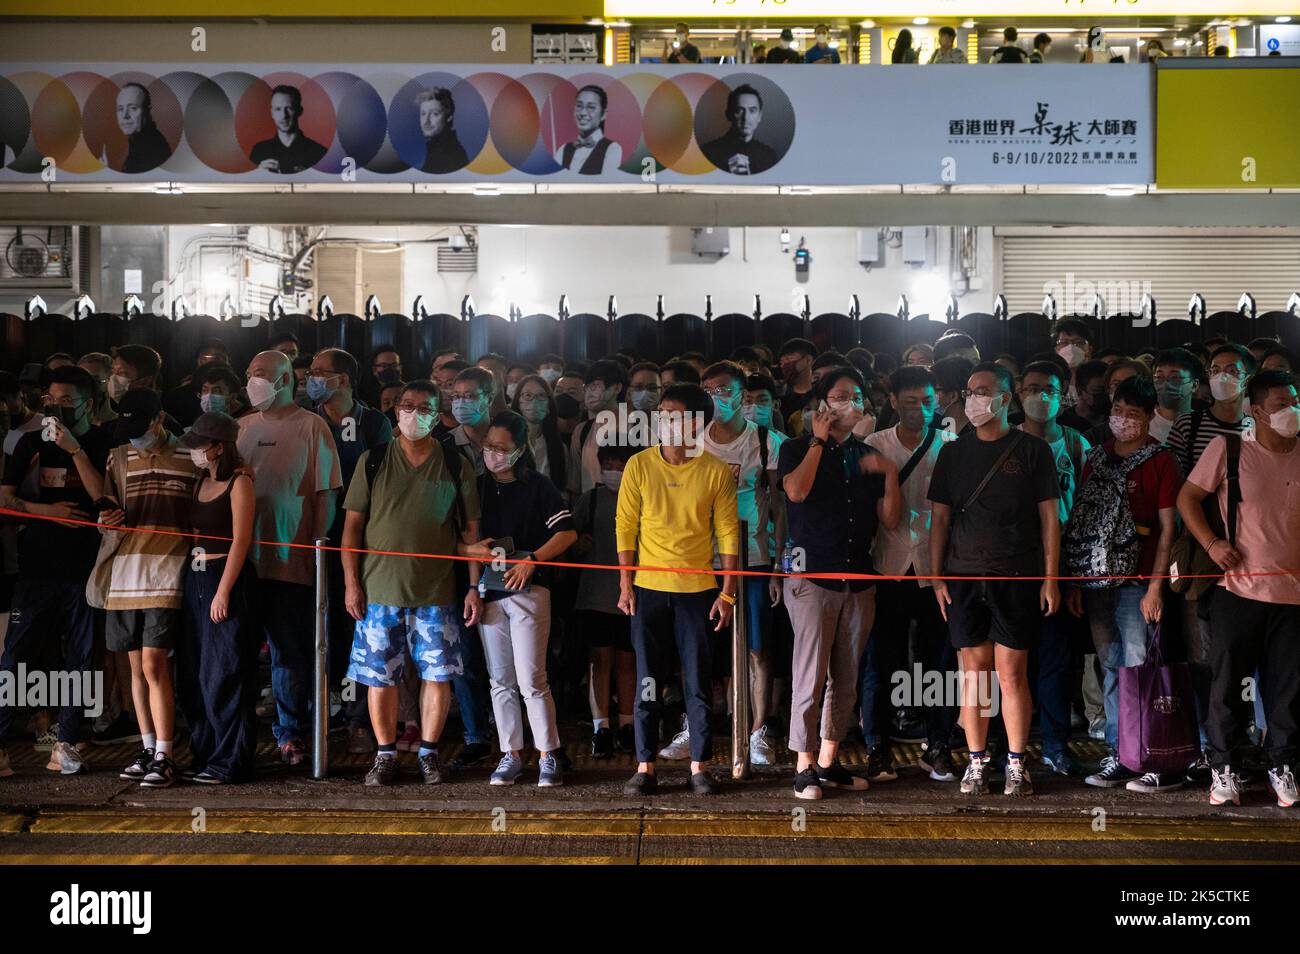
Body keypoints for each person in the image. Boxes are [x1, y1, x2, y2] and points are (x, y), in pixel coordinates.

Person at [929, 363, 1061, 797]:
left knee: (1011, 673)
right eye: (970, 391)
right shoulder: (953, 451)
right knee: (974, 674)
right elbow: (940, 519)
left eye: (983, 391)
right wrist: (936, 576)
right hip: (964, 575)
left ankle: (1017, 763)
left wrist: (1050, 578)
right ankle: (977, 761)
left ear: (1007, 399)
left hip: (1017, 576)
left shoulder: (1031, 450)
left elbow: (1049, 520)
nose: (974, 399)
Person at [342, 380, 481, 786]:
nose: (413, 414)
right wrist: (352, 584)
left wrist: (474, 587)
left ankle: (428, 753)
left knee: (438, 676)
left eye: (423, 408)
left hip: (437, 592)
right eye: (406, 405)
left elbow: (471, 533)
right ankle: (385, 755)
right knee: (379, 677)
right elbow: (352, 529)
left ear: (438, 417)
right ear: (395, 411)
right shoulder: (374, 460)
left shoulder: (456, 464)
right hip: (378, 591)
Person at [1178, 369, 1300, 808]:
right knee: (1227, 685)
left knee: (1288, 689)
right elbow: (1187, 497)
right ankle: (1224, 769)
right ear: (1256, 412)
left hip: (1293, 597)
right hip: (1237, 591)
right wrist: (1212, 544)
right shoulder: (1228, 449)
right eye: (1280, 405)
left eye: (1294, 401)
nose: (1291, 411)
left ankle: (1280, 765)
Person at [780, 368, 901, 799]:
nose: (847, 403)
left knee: (847, 677)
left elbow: (890, 520)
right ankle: (803, 765)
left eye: (854, 396)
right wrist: (816, 440)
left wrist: (888, 473)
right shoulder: (795, 448)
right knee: (809, 675)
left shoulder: (868, 455)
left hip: (859, 578)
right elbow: (795, 492)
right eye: (838, 396)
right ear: (821, 405)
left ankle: (829, 761)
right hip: (812, 577)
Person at [617, 384, 740, 796]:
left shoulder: (715, 471)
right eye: (663, 414)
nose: (666, 421)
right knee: (648, 680)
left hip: (698, 591)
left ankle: (699, 766)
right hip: (648, 589)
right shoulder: (639, 465)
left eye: (676, 415)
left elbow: (727, 534)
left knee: (698, 681)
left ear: (698, 423)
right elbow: (625, 526)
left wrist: (727, 592)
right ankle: (645, 765)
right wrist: (625, 582)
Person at [1065, 377, 1183, 790]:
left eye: (1133, 414)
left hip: (1138, 584)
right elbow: (1081, 520)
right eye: (1118, 411)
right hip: (1097, 583)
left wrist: (1155, 588)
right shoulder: (1096, 457)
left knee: (1140, 668)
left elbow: (1170, 528)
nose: (1123, 420)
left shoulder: (1162, 461)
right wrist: (1077, 582)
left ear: (1150, 417)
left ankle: (1151, 753)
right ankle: (1120, 752)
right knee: (1112, 667)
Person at [0, 366, 110, 778]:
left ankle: (64, 742)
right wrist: (48, 512)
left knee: (80, 658)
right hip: (37, 569)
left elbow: (103, 496)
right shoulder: (29, 442)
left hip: (85, 568)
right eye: (51, 401)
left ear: (88, 404)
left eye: (67, 402)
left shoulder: (101, 442)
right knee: (15, 655)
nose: (57, 409)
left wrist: (75, 449)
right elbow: (7, 501)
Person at [237, 350, 342, 765]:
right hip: (241, 564)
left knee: (290, 655)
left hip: (291, 562)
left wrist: (316, 548)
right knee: (238, 653)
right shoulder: (240, 428)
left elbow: (325, 494)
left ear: (284, 380)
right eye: (249, 374)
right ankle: (238, 734)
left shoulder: (312, 427)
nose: (252, 381)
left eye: (259, 374)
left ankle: (290, 732)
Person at [464, 411, 576, 786]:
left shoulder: (538, 486)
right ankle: (509, 755)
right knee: (500, 680)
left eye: (501, 448)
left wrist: (533, 559)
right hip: (490, 594)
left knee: (532, 678)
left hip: (529, 590)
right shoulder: (476, 487)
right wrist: (473, 586)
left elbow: (567, 533)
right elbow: (470, 546)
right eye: (488, 446)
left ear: (520, 449)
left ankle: (548, 754)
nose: (492, 453)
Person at [98, 390, 199, 788]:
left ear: (159, 418)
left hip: (168, 572)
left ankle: (166, 754)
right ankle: (148, 745)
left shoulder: (190, 455)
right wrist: (108, 520)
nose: (135, 437)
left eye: (141, 428)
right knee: (135, 669)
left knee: (157, 665)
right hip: (124, 572)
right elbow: (107, 510)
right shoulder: (118, 457)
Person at [861, 367, 955, 783]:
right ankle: (877, 747)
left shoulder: (951, 446)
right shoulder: (873, 445)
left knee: (940, 662)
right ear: (894, 401)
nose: (921, 408)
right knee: (882, 660)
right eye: (912, 401)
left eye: (928, 400)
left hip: (937, 571)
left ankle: (937, 747)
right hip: (888, 566)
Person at [699, 362, 787, 766]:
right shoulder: (693, 442)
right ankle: (702, 724)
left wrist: (777, 565)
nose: (720, 397)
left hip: (752, 557)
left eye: (726, 390)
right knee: (703, 647)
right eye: (710, 390)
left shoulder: (768, 441)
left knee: (756, 648)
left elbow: (780, 508)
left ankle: (758, 731)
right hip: (701, 557)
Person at [308, 348, 393, 749]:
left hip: (361, 539)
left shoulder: (373, 422)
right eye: (310, 372)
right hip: (313, 539)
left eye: (320, 373)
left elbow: (382, 479)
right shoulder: (306, 420)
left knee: (357, 625)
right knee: (319, 630)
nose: (312, 378)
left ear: (342, 380)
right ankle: (322, 715)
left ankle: (361, 719)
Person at [1014, 361, 1090, 776]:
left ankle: (1055, 744)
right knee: (1009, 664)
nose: (1041, 396)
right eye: (1032, 387)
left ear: (1065, 396)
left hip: (1060, 569)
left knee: (1058, 663)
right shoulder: (1003, 442)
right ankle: (1010, 746)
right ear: (1017, 394)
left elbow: (1085, 514)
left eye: (1051, 389)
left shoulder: (1078, 446)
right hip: (1010, 568)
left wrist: (1074, 578)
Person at [175, 411, 259, 783]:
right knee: (193, 672)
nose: (195, 452)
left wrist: (223, 590)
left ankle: (231, 760)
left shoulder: (240, 483)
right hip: (194, 578)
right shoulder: (199, 481)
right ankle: (205, 752)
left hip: (225, 576)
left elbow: (242, 540)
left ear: (218, 447)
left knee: (224, 672)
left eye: (200, 445)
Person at [444, 366, 497, 765]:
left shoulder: (508, 439)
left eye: (469, 395)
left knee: (506, 648)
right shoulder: (445, 446)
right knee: (465, 649)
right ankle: (476, 732)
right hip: (458, 554)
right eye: (455, 395)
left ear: (488, 398)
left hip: (507, 554)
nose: (460, 402)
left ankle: (510, 725)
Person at [573, 441, 638, 757]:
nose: (614, 472)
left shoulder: (642, 498)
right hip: (595, 594)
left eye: (620, 465)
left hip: (632, 592)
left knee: (628, 661)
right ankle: (602, 727)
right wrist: (579, 544)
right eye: (608, 465)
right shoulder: (591, 500)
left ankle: (627, 724)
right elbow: (571, 540)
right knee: (599, 662)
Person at [570, 359, 628, 497]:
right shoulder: (582, 430)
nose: (589, 393)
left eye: (596, 386)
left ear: (617, 388)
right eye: (587, 387)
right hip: (591, 512)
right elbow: (575, 484)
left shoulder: (640, 430)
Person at [701, 85, 779, 176]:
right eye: (739, 110)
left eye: (752, 110)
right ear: (728, 115)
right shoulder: (708, 153)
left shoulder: (769, 155)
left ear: (760, 116)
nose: (746, 117)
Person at [250, 84, 327, 174]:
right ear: (272, 113)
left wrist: (309, 176)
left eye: (289, 108)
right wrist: (258, 173)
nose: (284, 116)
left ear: (299, 111)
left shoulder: (319, 152)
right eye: (278, 109)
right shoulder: (259, 151)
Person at [511, 373, 568, 490]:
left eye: (541, 396)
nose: (534, 401)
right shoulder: (507, 442)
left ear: (549, 405)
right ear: (518, 402)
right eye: (527, 395)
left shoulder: (558, 447)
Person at [555, 85, 623, 176]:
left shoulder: (612, 149)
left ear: (603, 114)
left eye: (591, 107)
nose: (583, 113)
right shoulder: (563, 150)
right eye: (579, 106)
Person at [1084, 358, 1151, 446]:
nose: (1123, 390)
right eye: (1116, 384)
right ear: (1108, 390)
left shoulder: (1160, 430)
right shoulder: (1092, 438)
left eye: (1131, 383)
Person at [163, 340, 229, 428]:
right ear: (201, 361)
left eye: (225, 360)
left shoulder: (234, 394)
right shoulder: (177, 396)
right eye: (216, 358)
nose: (223, 364)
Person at [1149, 348, 1203, 445]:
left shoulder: (1204, 425)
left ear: (1194, 385)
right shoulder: (1144, 423)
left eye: (1174, 377)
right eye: (1159, 377)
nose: (1165, 384)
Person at [116, 82, 172, 173]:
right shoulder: (137, 142)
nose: (125, 115)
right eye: (120, 109)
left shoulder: (153, 149)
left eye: (133, 108)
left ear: (147, 111)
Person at [416, 88, 469, 174]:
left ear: (449, 117)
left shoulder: (449, 154)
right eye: (423, 114)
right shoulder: (435, 148)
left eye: (435, 114)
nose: (426, 121)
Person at [777, 338, 817, 432]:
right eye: (782, 361)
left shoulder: (821, 394)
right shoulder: (780, 395)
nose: (784, 365)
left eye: (789, 358)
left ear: (808, 360)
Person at [77, 352, 118, 427]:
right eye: (83, 380)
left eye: (96, 381)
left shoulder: (120, 425)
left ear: (110, 380)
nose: (88, 386)